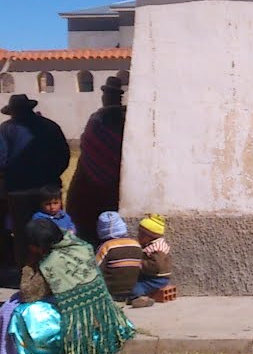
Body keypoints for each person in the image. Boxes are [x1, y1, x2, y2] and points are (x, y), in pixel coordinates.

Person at [7, 218, 135, 354]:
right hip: (103, 321)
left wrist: (29, 263)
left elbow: (28, 294)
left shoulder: (51, 263)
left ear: (36, 246)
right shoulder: (81, 246)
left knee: (21, 313)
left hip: (78, 325)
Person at [0, 94, 71, 266]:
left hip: (18, 192)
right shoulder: (50, 126)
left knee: (23, 234)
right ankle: (56, 267)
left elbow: (1, 160)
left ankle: (26, 272)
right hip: (49, 191)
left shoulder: (5, 129)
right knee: (53, 229)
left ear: (13, 112)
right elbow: (64, 156)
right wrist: (52, 177)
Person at [66, 77, 127, 242]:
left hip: (91, 183)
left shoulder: (99, 120)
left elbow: (86, 142)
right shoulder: (115, 118)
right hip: (112, 184)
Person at [95, 211, 145, 302]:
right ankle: (135, 298)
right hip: (133, 288)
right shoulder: (136, 244)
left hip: (112, 290)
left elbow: (96, 269)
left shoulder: (106, 247)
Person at [130, 213, 176, 305]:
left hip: (156, 279)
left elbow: (156, 266)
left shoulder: (157, 249)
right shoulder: (150, 245)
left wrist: (139, 264)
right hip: (150, 276)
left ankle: (141, 298)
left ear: (149, 236)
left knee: (136, 287)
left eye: (141, 234)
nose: (138, 236)